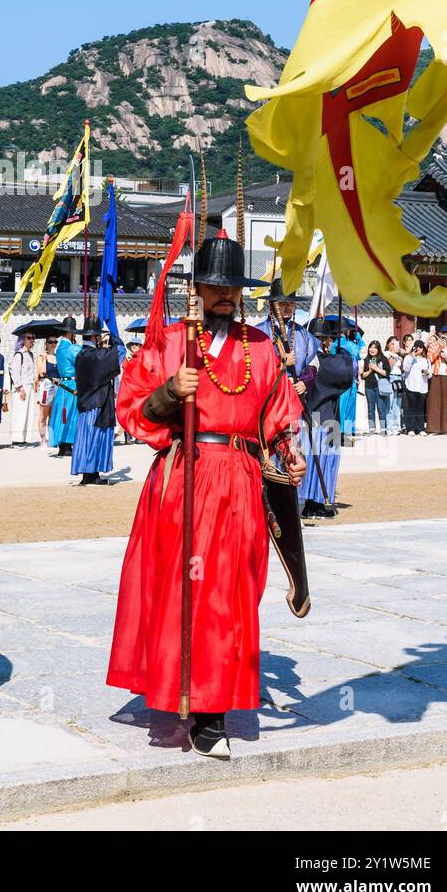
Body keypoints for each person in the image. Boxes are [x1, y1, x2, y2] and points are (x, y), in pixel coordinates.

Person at [107, 229, 306, 761]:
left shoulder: (260, 347)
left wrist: (288, 446)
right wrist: (169, 394)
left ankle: (214, 710)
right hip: (183, 476)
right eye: (214, 285)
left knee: (230, 594)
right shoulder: (170, 341)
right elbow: (132, 411)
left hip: (239, 478)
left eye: (232, 288)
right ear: (195, 287)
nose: (224, 295)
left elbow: (277, 412)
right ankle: (182, 696)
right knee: (182, 592)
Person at [297, 320, 354, 519]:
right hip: (319, 416)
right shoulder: (317, 362)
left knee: (324, 459)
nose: (326, 342)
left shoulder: (319, 360)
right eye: (320, 338)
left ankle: (317, 500)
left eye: (327, 338)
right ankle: (313, 502)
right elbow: (345, 373)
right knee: (319, 460)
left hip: (325, 415)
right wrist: (341, 358)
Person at [71, 321, 123, 485]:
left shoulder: (81, 355)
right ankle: (93, 474)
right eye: (99, 336)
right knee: (95, 438)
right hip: (97, 403)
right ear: (94, 336)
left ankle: (88, 474)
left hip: (85, 403)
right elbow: (120, 352)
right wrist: (114, 338)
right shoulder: (96, 355)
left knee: (85, 439)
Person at [49, 316, 80, 456]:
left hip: (62, 383)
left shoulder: (60, 347)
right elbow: (81, 360)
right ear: (70, 333)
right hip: (72, 384)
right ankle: (67, 445)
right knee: (71, 414)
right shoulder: (71, 348)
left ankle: (62, 444)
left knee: (62, 413)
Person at [9, 330, 39, 447]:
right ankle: (16, 439)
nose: (31, 340)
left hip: (30, 386)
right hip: (21, 386)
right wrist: (20, 387)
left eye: (33, 338)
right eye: (29, 338)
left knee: (28, 413)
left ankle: (24, 438)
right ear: (22, 340)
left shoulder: (30, 354)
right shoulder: (19, 354)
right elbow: (15, 372)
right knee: (20, 412)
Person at [426, 327, 447, 435]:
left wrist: (446, 357)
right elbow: (429, 359)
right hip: (435, 373)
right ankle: (433, 428)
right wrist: (439, 350)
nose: (445, 335)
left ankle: (443, 428)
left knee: (444, 401)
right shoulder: (433, 345)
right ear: (439, 333)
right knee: (434, 401)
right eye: (443, 333)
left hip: (446, 374)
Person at [360, 339, 390, 435]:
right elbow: (362, 376)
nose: (372, 350)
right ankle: (372, 429)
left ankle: (383, 429)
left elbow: (386, 373)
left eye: (374, 348)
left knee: (381, 408)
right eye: (370, 347)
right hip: (369, 387)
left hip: (380, 387)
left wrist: (376, 368)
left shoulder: (383, 359)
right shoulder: (366, 360)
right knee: (370, 408)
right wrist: (369, 370)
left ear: (378, 349)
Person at [402, 341, 431, 435]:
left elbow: (430, 375)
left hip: (422, 387)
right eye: (416, 347)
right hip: (411, 386)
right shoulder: (408, 357)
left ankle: (421, 428)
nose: (418, 349)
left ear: (423, 349)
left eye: (420, 347)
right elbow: (406, 369)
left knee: (420, 408)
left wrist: (427, 373)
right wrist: (411, 356)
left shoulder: (426, 360)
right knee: (411, 408)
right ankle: (410, 428)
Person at [35, 335, 59, 446]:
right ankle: (43, 438)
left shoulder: (58, 356)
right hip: (46, 385)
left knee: (54, 414)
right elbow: (41, 372)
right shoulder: (41, 356)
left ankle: (52, 438)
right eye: (50, 342)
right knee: (43, 414)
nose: (53, 344)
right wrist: (44, 359)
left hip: (58, 386)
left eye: (55, 342)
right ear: (46, 344)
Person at [383, 336, 404, 435]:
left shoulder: (398, 356)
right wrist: (393, 357)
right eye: (392, 343)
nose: (394, 346)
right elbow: (389, 368)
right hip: (391, 378)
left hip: (399, 378)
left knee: (397, 404)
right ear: (388, 344)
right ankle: (389, 427)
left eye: (396, 344)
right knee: (389, 403)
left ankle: (396, 427)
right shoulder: (387, 354)